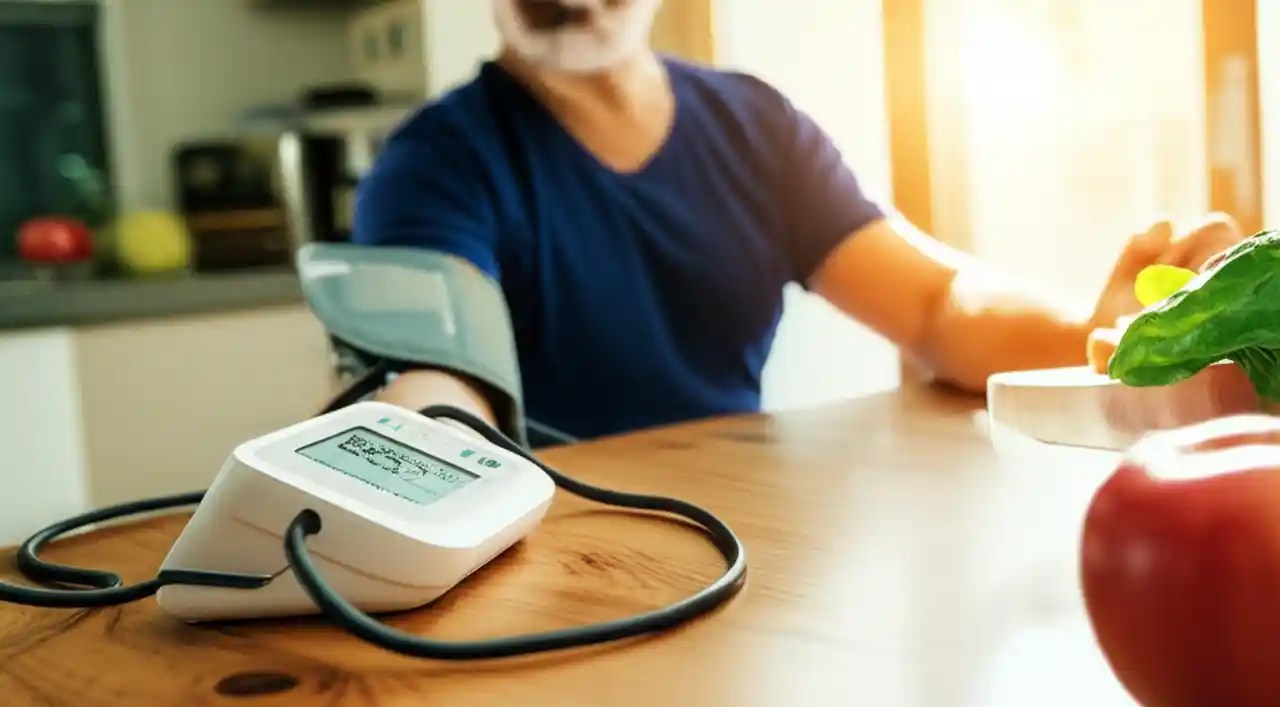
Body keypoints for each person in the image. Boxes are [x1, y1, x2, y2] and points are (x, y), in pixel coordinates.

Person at [352, 0, 1243, 441]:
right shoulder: (432, 164)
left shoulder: (755, 125)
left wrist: (1091, 331)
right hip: (545, 549)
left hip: (734, 534)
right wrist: (409, 455)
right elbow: (438, 381)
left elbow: (935, 306)